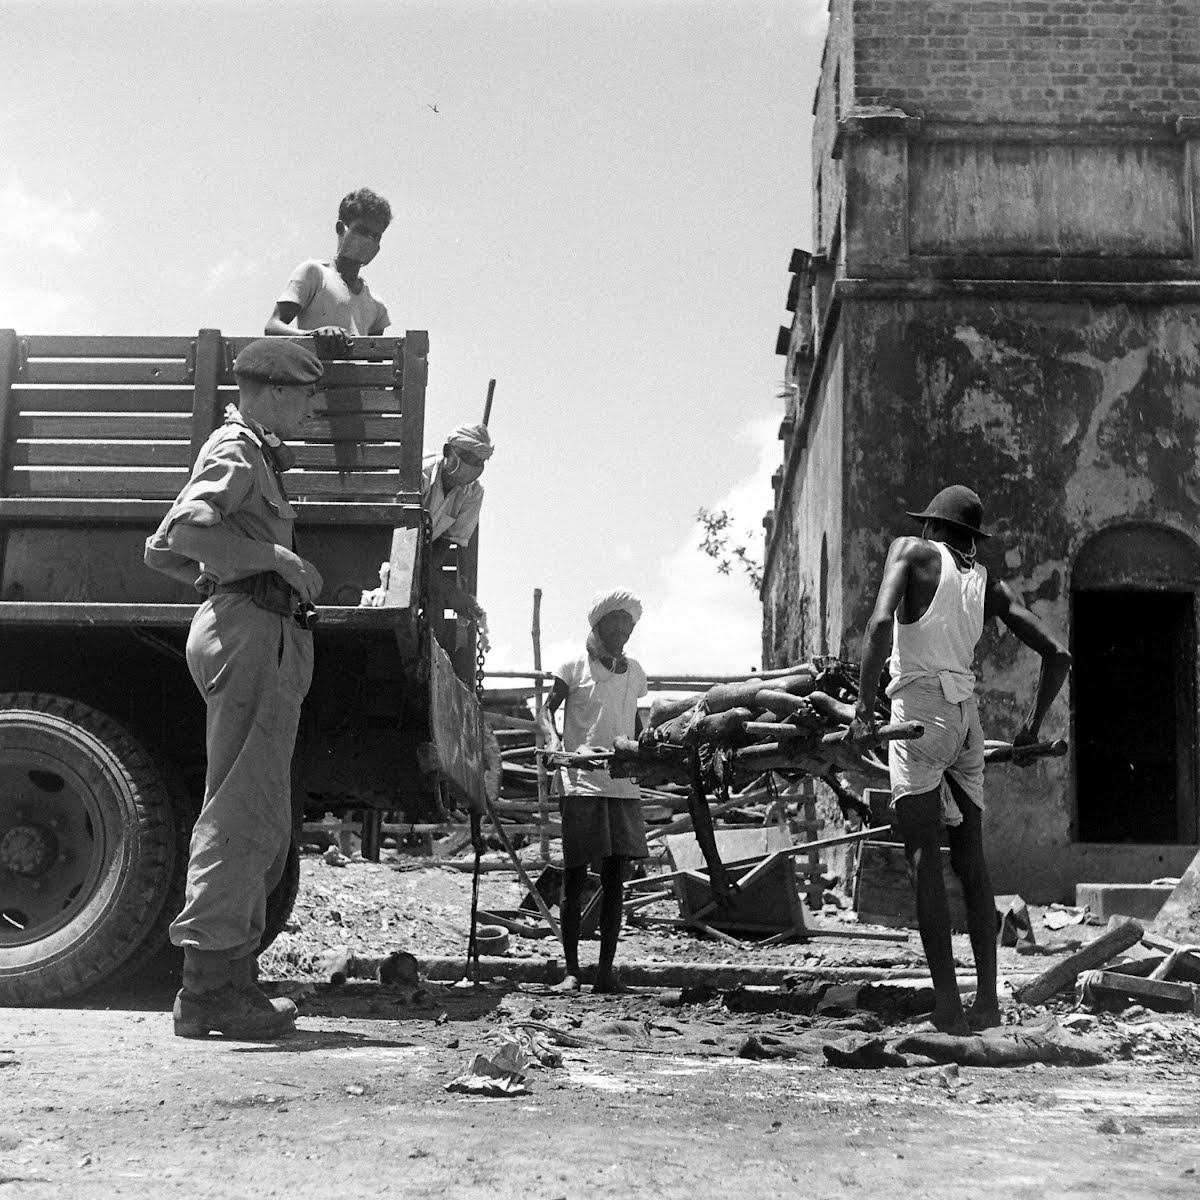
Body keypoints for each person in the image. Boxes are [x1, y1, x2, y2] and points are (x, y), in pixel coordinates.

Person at [144, 339, 326, 1039]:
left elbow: (161, 553)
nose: (311, 408)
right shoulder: (237, 449)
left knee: (257, 814)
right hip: (252, 630)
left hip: (257, 625)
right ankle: (209, 988)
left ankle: (228, 977)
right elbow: (182, 531)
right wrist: (268, 560)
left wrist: (232, 574)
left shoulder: (254, 453)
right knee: (244, 812)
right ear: (273, 391)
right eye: (306, 395)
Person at [848, 485, 1071, 1035]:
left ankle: (947, 1004)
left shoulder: (911, 552)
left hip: (920, 711)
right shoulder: (986, 583)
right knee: (972, 863)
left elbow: (880, 626)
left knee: (923, 857)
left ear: (932, 528)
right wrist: (1028, 729)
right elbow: (1058, 654)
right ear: (972, 537)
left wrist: (862, 708)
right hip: (966, 719)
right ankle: (987, 1004)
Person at [537, 589, 648, 993]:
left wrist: (642, 754)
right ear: (598, 627)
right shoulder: (572, 666)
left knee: (617, 879)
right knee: (574, 876)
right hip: (581, 781)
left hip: (622, 784)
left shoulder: (635, 672)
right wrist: (554, 745)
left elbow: (633, 720)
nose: (621, 634)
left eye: (627, 628)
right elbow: (547, 709)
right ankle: (571, 970)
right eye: (614, 627)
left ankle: (605, 971)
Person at [265, 187, 393, 353]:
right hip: (312, 375)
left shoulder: (376, 307)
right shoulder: (314, 274)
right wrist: (313, 336)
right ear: (340, 229)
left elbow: (372, 357)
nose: (369, 241)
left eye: (376, 236)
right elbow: (272, 327)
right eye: (362, 231)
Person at [422, 423, 494, 622]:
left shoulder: (473, 493)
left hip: (422, 558)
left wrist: (432, 579)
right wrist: (448, 590)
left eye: (479, 462)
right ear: (448, 452)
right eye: (468, 458)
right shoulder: (421, 475)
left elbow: (445, 542)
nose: (473, 466)